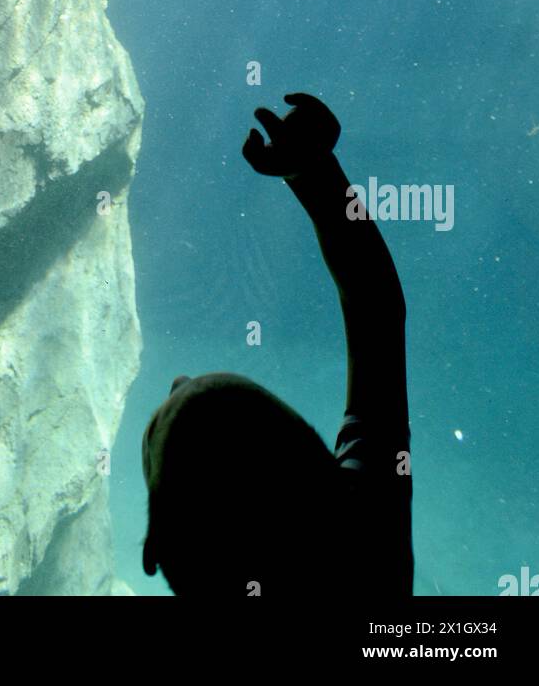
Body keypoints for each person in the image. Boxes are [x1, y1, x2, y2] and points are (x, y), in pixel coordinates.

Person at [141, 92, 413, 597]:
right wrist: (317, 174)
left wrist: (315, 176)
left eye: (166, 408)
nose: (177, 378)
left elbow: (377, 315)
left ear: (153, 551)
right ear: (325, 470)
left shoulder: (367, 537)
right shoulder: (363, 549)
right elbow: (377, 310)